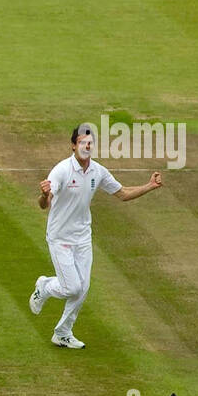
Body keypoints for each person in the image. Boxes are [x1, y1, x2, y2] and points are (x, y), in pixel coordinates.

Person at [28, 124, 163, 348]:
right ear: (73, 146)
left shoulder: (98, 171)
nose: (86, 146)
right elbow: (45, 203)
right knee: (72, 288)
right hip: (60, 237)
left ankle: (63, 332)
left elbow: (123, 193)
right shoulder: (61, 170)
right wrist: (44, 195)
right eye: (82, 142)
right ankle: (45, 286)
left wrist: (149, 186)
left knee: (83, 288)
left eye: (90, 143)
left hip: (82, 238)